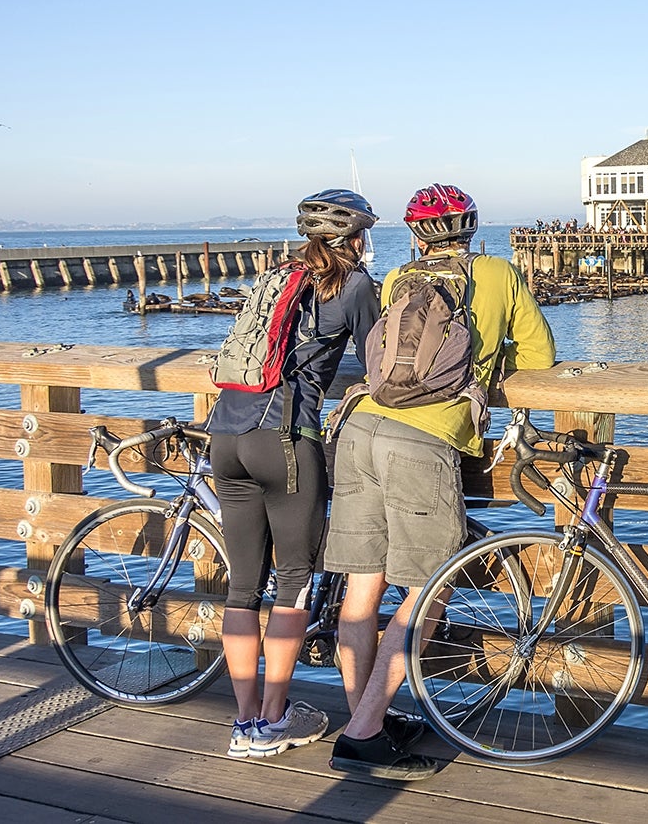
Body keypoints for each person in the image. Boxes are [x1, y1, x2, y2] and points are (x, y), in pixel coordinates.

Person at [327, 183, 557, 780]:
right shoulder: (499, 273)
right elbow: (540, 357)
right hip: (424, 441)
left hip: (360, 430)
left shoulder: (400, 279)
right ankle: (362, 732)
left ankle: (368, 721)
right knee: (429, 591)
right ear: (472, 229)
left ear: (415, 237)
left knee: (362, 587)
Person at [206, 189, 379, 760]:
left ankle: (243, 720)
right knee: (294, 581)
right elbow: (381, 363)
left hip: (225, 434)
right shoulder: (354, 285)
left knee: (241, 586)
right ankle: (272, 722)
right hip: (283, 438)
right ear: (356, 239)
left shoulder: (279, 276)